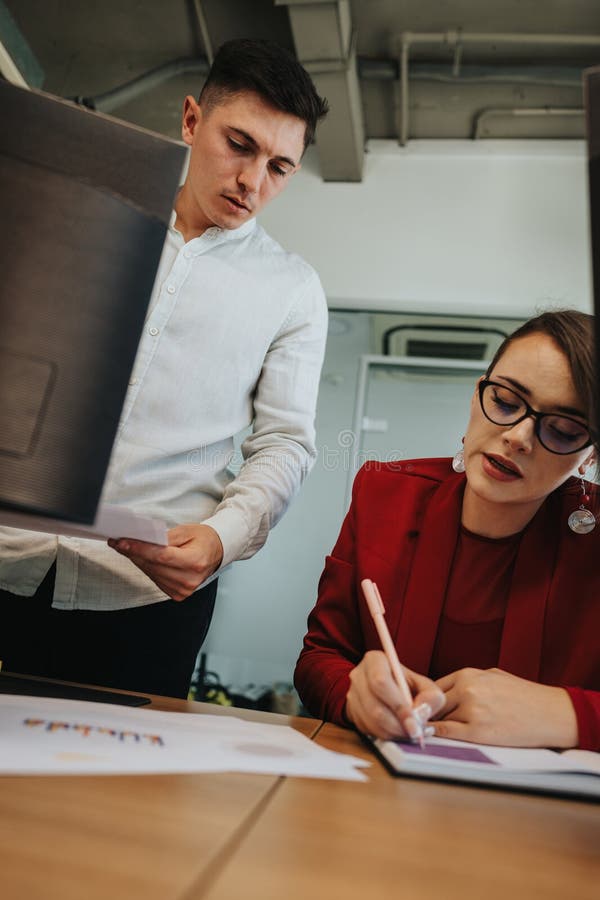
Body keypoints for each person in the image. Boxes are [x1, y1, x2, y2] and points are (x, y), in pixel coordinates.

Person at [0, 39, 329, 698]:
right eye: (240, 144)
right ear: (189, 121)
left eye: (279, 167)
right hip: (6, 558)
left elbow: (286, 442)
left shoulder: (293, 291)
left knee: (115, 801)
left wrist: (222, 537)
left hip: (143, 601)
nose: (252, 182)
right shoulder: (72, 218)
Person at [295, 310, 600, 751]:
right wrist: (352, 692)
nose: (517, 437)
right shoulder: (384, 492)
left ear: (588, 456)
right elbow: (320, 656)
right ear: (477, 394)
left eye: (565, 429)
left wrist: (565, 714)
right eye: (506, 402)